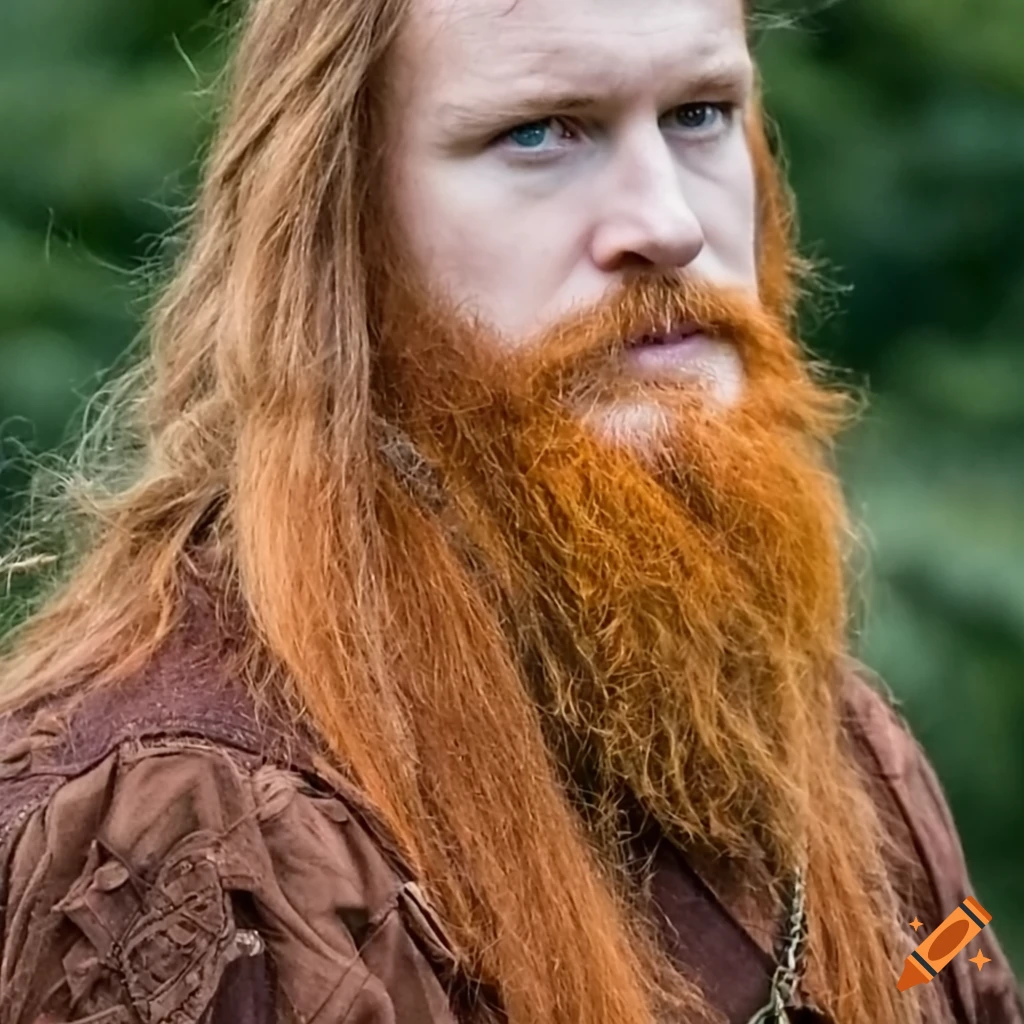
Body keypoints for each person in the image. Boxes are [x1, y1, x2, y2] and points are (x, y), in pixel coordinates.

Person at [0, 0, 1020, 1021]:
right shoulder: (189, 832)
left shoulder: (832, 742)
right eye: (538, 132)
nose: (668, 222)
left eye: (700, 113)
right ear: (338, 221)